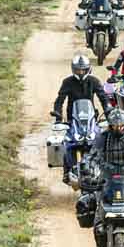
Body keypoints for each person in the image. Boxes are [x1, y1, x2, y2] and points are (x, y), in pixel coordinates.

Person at [50, 54, 104, 184]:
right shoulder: (67, 82)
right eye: (78, 70)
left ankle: (103, 171)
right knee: (68, 143)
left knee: (100, 141)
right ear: (73, 69)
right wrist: (58, 115)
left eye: (83, 69)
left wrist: (108, 110)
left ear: (88, 69)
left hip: (91, 119)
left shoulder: (94, 81)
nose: (80, 72)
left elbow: (103, 97)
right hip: (72, 119)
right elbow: (60, 100)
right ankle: (67, 171)